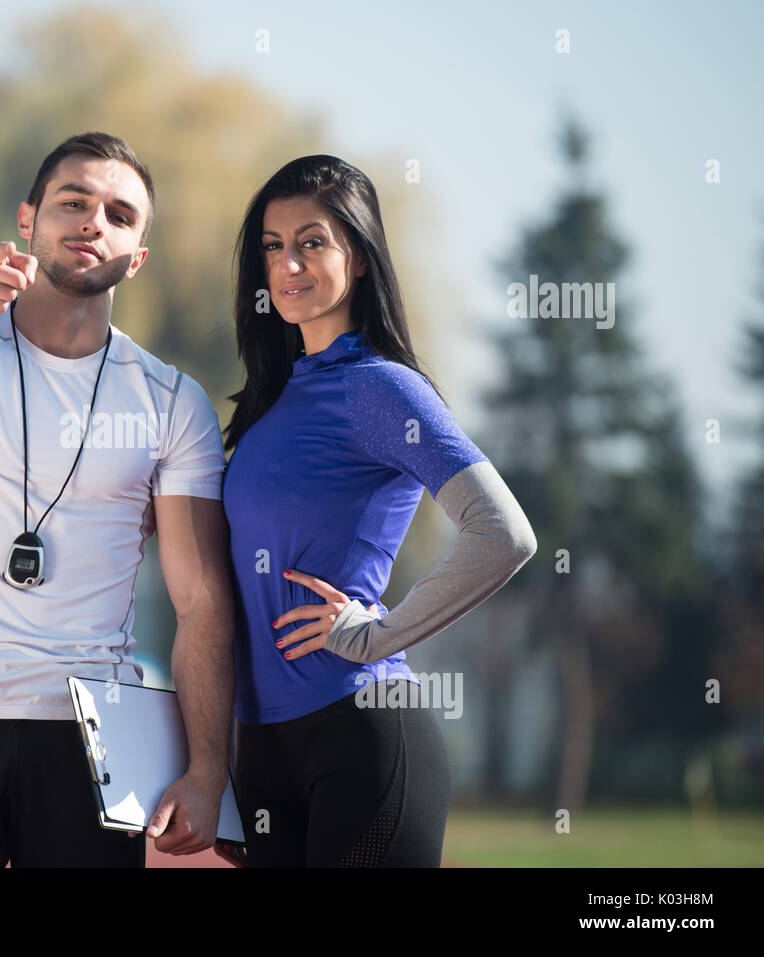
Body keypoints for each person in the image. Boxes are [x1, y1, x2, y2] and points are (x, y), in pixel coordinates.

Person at [0, 132, 235, 867]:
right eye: (74, 201)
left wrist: (207, 769)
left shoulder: (170, 400)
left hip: (89, 739)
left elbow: (200, 601)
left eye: (121, 214)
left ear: (138, 256)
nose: (95, 220)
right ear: (27, 219)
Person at [215, 155, 537, 868]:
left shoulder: (380, 389)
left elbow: (503, 532)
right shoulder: (269, 405)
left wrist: (380, 632)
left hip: (359, 734)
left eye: (312, 241)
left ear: (359, 256)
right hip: (263, 749)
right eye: (273, 245)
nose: (288, 262)